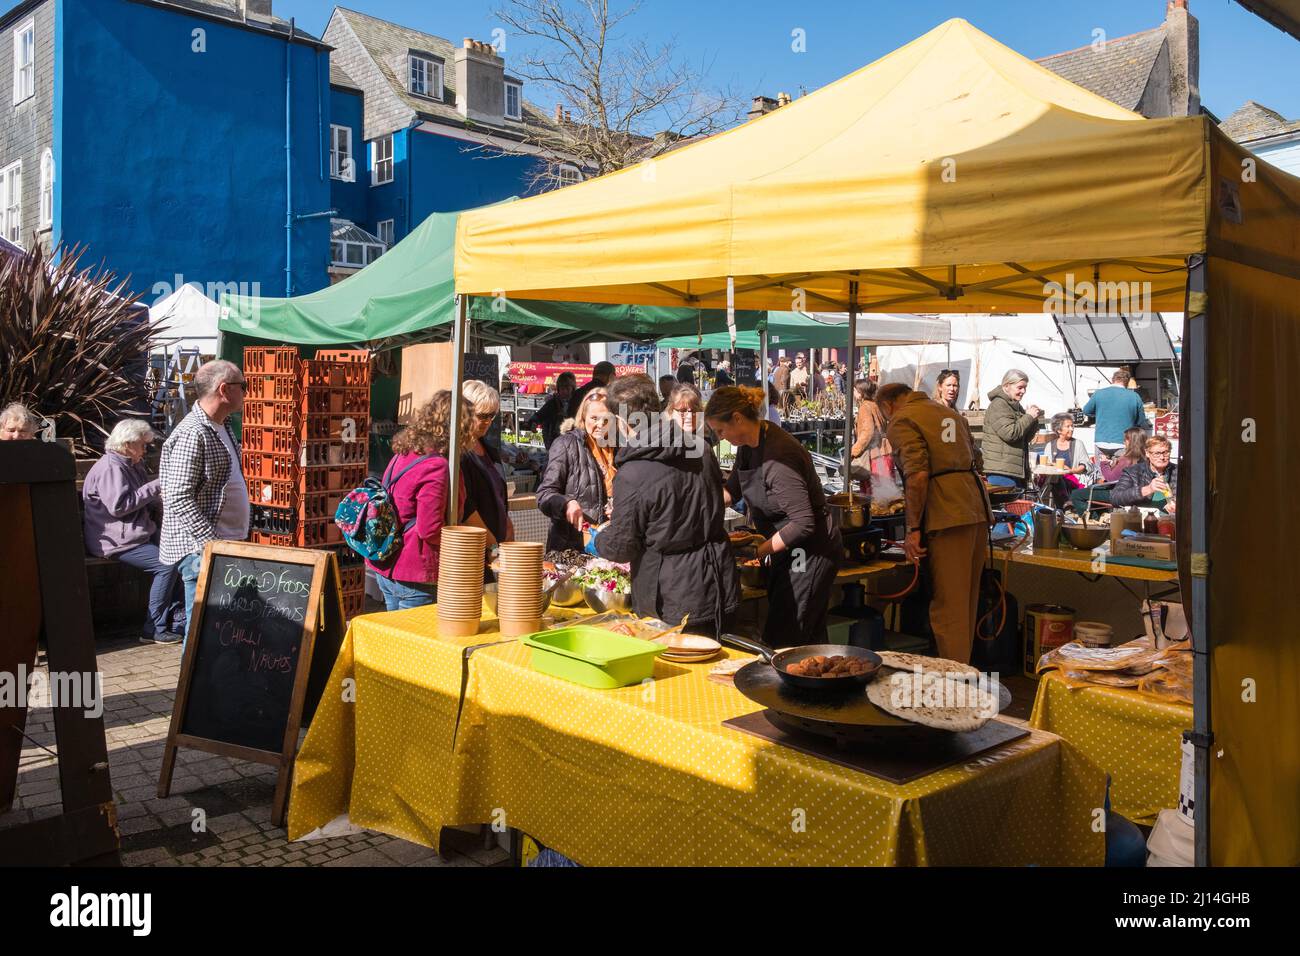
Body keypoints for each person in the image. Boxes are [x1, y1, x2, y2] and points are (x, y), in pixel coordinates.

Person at [596, 375, 740, 638]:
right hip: (716, 581)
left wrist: (598, 537)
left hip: (672, 596)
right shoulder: (702, 450)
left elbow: (622, 546)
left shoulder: (633, 473)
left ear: (622, 420)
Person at [706, 386, 840, 645]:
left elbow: (802, 523)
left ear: (737, 418)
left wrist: (759, 552)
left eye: (721, 431)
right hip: (786, 547)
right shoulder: (750, 443)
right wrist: (698, 507)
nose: (720, 438)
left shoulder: (778, 456)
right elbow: (732, 490)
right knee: (797, 628)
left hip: (808, 551)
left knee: (788, 632)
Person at [876, 383, 989, 664]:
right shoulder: (947, 412)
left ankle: (954, 683)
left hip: (947, 513)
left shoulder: (903, 419)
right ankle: (961, 674)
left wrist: (913, 530)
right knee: (966, 603)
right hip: (974, 509)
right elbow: (977, 460)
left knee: (949, 608)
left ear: (888, 405)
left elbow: (917, 475)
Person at [158, 360, 250, 643]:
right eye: (243, 387)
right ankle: (191, 689)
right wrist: (211, 543)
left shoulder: (219, 425)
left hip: (219, 546)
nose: (246, 393)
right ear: (225, 390)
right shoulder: (192, 432)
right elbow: (177, 495)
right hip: (202, 551)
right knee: (201, 636)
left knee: (216, 634)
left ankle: (212, 687)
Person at [368, 391, 474, 610]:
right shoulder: (437, 466)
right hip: (415, 573)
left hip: (388, 565)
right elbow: (430, 528)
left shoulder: (405, 453)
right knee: (414, 641)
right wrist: (465, 546)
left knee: (395, 641)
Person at [83, 419, 183, 644]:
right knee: (166, 565)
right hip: (116, 541)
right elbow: (119, 506)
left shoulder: (129, 463)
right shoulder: (111, 467)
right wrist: (156, 485)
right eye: (142, 444)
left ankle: (176, 620)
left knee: (180, 553)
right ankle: (153, 628)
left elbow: (142, 499)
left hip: (135, 533)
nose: (145, 450)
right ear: (126, 444)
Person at [536, 388, 615, 553]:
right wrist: (566, 503)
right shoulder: (565, 444)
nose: (600, 425)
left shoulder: (619, 448)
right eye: (594, 418)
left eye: (606, 419)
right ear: (583, 416)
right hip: (573, 547)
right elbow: (544, 495)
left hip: (610, 545)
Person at [461, 381, 515, 556]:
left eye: (492, 416)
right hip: (473, 549)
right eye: (482, 416)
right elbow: (467, 509)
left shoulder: (489, 450)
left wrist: (506, 524)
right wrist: (493, 547)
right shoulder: (458, 455)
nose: (488, 422)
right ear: (465, 413)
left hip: (495, 546)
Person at [981, 369, 1042, 488]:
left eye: (1025, 388)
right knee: (1008, 506)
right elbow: (1011, 434)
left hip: (1012, 469)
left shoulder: (1015, 406)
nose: (1023, 391)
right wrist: (1029, 417)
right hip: (1001, 471)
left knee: (1016, 506)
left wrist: (1033, 420)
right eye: (1020, 387)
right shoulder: (999, 405)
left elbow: (1025, 437)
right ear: (1007, 386)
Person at [1071, 425, 1146, 515]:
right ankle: (1101, 516)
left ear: (1131, 442)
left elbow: (1111, 478)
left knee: (1076, 494)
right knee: (1091, 488)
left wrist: (1104, 463)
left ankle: (1093, 520)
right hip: (1134, 493)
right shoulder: (1144, 459)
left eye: (1125, 439)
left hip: (1118, 494)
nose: (1124, 442)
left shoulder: (1127, 459)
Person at [1083, 369, 1152, 458]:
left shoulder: (1098, 393)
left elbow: (1086, 411)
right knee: (1123, 471)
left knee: (1101, 470)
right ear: (1127, 382)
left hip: (1101, 442)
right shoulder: (1134, 396)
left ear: (1112, 380)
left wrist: (1100, 414)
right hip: (1123, 443)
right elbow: (1141, 422)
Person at [849, 379, 897, 498]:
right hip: (884, 452)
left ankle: (874, 516)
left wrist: (853, 451)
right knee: (886, 492)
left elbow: (867, 433)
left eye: (854, 391)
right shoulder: (876, 404)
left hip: (875, 455)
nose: (853, 394)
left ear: (860, 392)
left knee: (876, 495)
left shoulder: (865, 407)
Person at [1038, 413, 1093, 511]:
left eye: (1072, 426)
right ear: (1059, 430)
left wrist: (1071, 470)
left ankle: (1059, 509)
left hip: (1075, 478)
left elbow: (1086, 465)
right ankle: (1065, 507)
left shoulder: (1078, 444)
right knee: (1055, 479)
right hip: (1055, 480)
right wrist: (1059, 467)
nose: (1072, 429)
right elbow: (1047, 465)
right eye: (1068, 426)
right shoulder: (1050, 446)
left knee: (1056, 481)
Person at [1111, 435, 1178, 512]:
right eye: (1157, 453)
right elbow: (1115, 498)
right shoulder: (1133, 472)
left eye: (1166, 452)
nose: (1162, 457)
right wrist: (1148, 489)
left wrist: (1177, 504)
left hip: (1171, 520)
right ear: (1147, 453)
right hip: (1140, 519)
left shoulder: (1179, 471)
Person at [527, 371, 575, 450]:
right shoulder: (552, 403)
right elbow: (540, 415)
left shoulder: (577, 402)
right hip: (554, 442)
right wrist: (533, 423)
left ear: (572, 388)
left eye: (567, 388)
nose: (565, 391)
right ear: (558, 389)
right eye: (562, 388)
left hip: (572, 442)